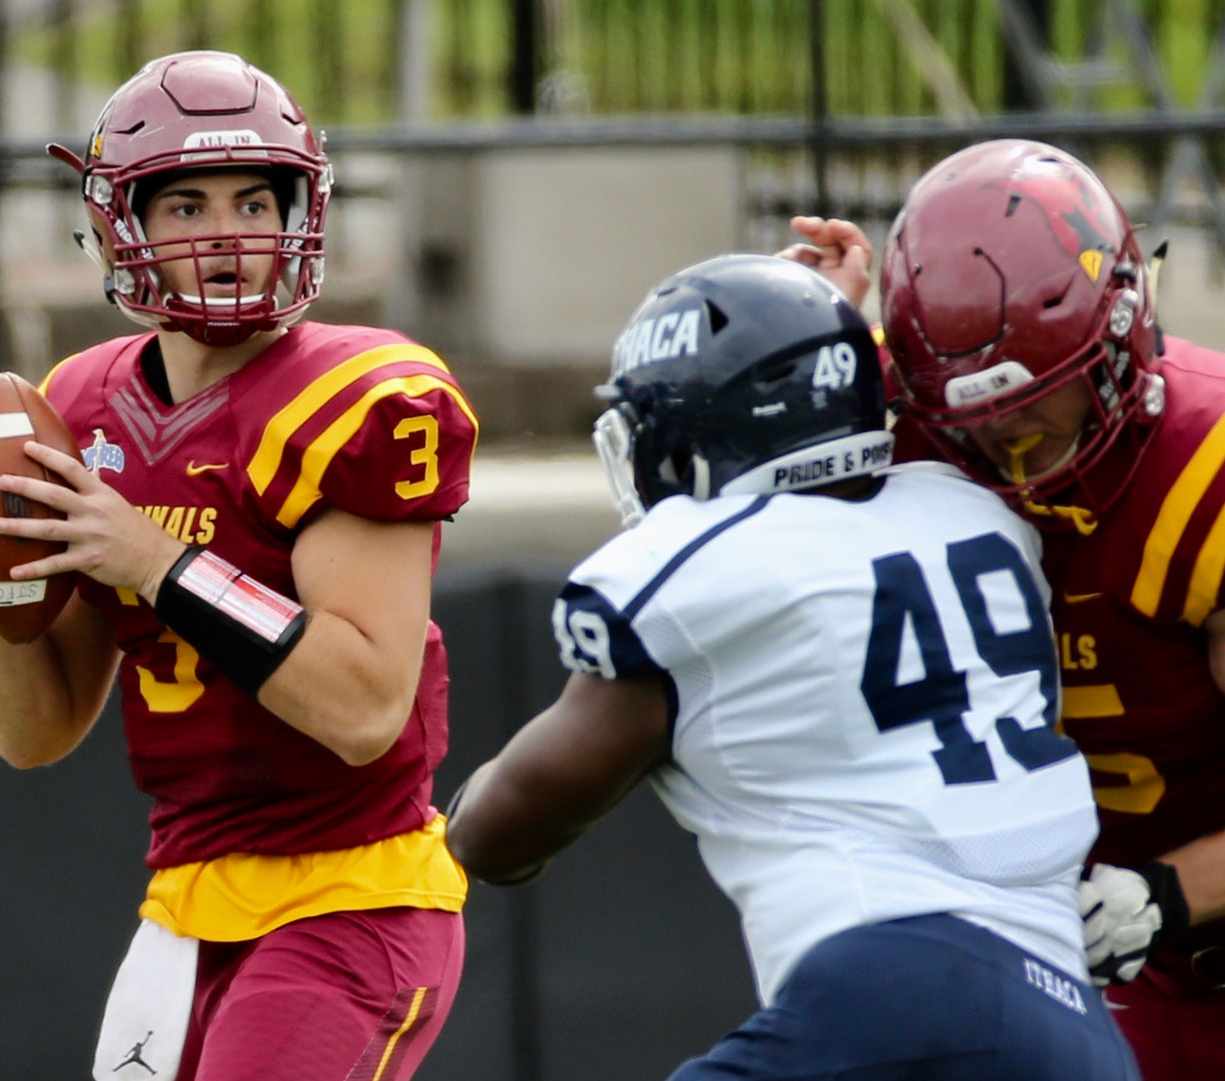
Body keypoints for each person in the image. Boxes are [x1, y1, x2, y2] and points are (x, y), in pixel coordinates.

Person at [0, 51, 474, 1081]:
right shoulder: (79, 406)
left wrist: (158, 560)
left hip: (352, 896)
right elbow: (33, 733)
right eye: (186, 206)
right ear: (124, 225)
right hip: (184, 901)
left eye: (256, 200)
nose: (228, 237)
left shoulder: (364, 396)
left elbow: (364, 710)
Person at [447, 253, 1139, 1080]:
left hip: (895, 988)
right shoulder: (978, 516)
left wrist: (437, 827)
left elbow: (501, 830)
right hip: (1078, 1030)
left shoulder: (694, 572)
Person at [788, 139, 1225, 1081]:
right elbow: (721, 526)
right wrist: (803, 336)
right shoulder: (908, 416)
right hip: (1086, 964)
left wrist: (1170, 893)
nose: (1001, 439)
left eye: (1031, 402)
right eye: (969, 419)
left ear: (1119, 332)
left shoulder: (1206, 467)